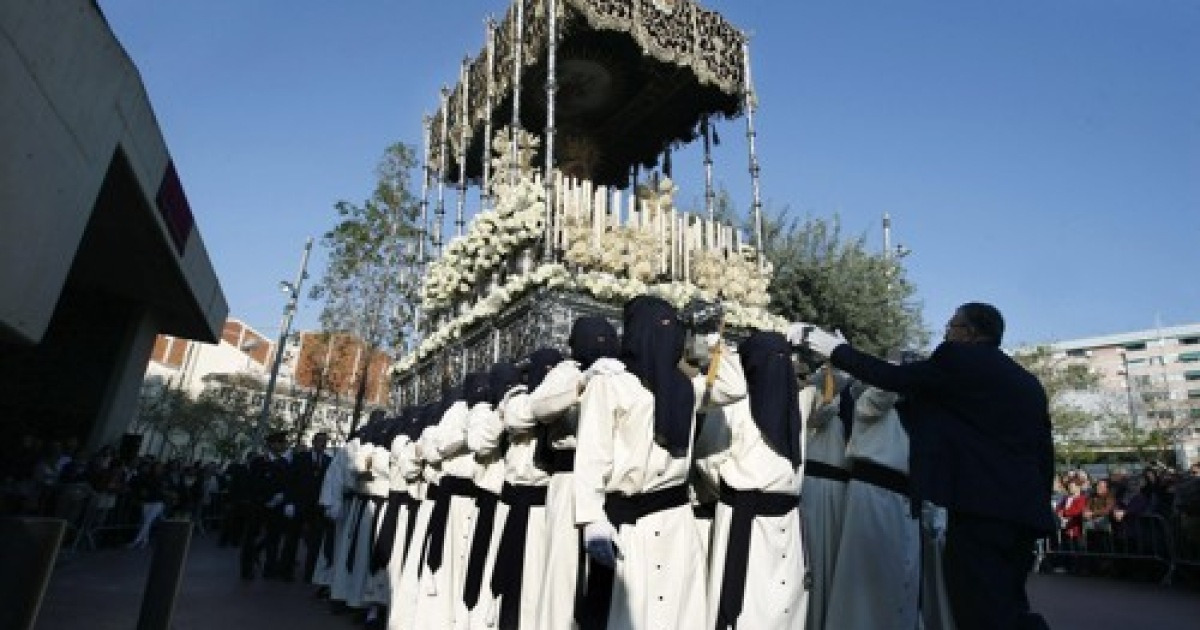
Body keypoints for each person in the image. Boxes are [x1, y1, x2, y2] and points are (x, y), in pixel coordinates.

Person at [792, 302, 1055, 630]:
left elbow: (892, 378)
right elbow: (1044, 454)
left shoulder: (959, 359)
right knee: (1010, 604)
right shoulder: (1028, 384)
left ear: (970, 333)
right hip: (1024, 514)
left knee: (978, 608)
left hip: (980, 509)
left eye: (951, 327)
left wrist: (834, 349)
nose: (946, 335)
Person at [574, 295, 746, 630]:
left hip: (676, 522)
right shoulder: (611, 383)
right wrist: (592, 520)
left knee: (679, 614)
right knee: (630, 615)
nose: (667, 334)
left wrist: (713, 337)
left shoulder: (684, 386)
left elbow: (734, 387)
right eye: (658, 327)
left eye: (672, 326)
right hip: (629, 524)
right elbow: (592, 456)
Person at [694, 330, 810, 629]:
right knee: (748, 608)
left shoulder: (795, 405)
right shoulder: (733, 403)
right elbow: (709, 459)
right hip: (744, 519)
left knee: (783, 606)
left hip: (786, 523)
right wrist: (735, 491)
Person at [283, 431, 333, 583]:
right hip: (299, 504)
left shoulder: (328, 461)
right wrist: (289, 502)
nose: (322, 444)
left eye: (325, 442)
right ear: (313, 442)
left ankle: (310, 573)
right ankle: (286, 570)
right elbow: (290, 480)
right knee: (292, 538)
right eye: (320, 441)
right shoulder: (300, 458)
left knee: (315, 542)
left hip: (318, 508)